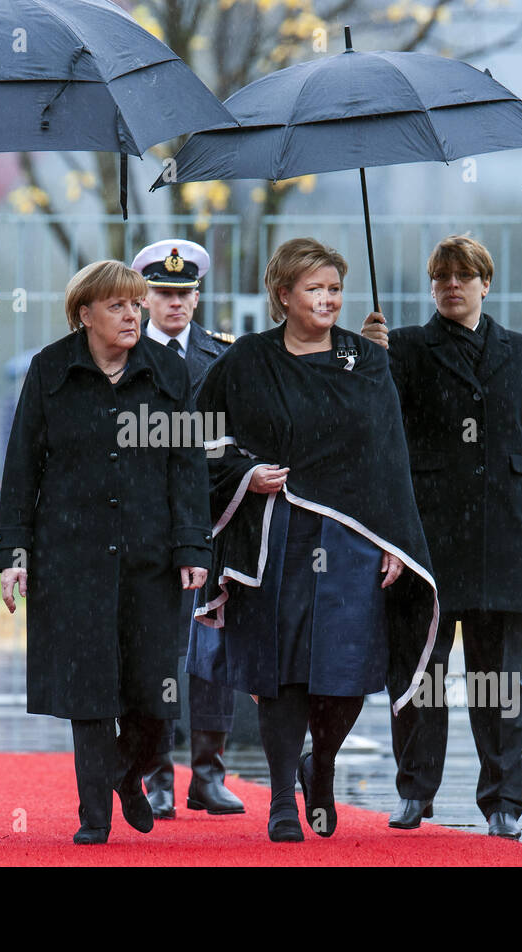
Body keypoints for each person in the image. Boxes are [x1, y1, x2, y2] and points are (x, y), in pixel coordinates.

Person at [189, 237, 438, 842]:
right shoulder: (247, 358)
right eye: (315, 289)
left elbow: (388, 454)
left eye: (334, 289)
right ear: (283, 295)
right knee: (280, 668)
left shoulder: (367, 358)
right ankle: (279, 797)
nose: (328, 299)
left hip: (351, 533)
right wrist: (245, 474)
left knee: (347, 668)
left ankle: (319, 765)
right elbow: (200, 435)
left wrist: (393, 539)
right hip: (275, 536)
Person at [360, 233, 522, 840]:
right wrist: (367, 359)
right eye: (442, 277)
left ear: (485, 284)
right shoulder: (402, 348)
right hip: (425, 540)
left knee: (500, 683)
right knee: (419, 677)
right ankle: (415, 794)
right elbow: (373, 427)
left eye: (464, 276)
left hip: (502, 540)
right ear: (432, 286)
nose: (452, 285)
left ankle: (503, 802)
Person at [0, 260, 212, 846]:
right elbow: (22, 468)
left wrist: (194, 545)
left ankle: (125, 774)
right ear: (84, 313)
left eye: (136, 305)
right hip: (72, 558)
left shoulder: (168, 370)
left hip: (151, 557)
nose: (132, 315)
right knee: (89, 691)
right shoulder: (49, 370)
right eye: (117, 305)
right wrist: (13, 552)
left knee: (156, 696)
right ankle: (94, 815)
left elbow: (187, 467)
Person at [130, 238, 243, 819]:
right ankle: (156, 772)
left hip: (215, 523)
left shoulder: (222, 358)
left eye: (184, 293)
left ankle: (208, 772)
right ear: (145, 296)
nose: (175, 302)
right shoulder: (125, 358)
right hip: (152, 528)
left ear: (197, 297)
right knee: (159, 653)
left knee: (212, 651)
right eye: (163, 293)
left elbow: (233, 444)